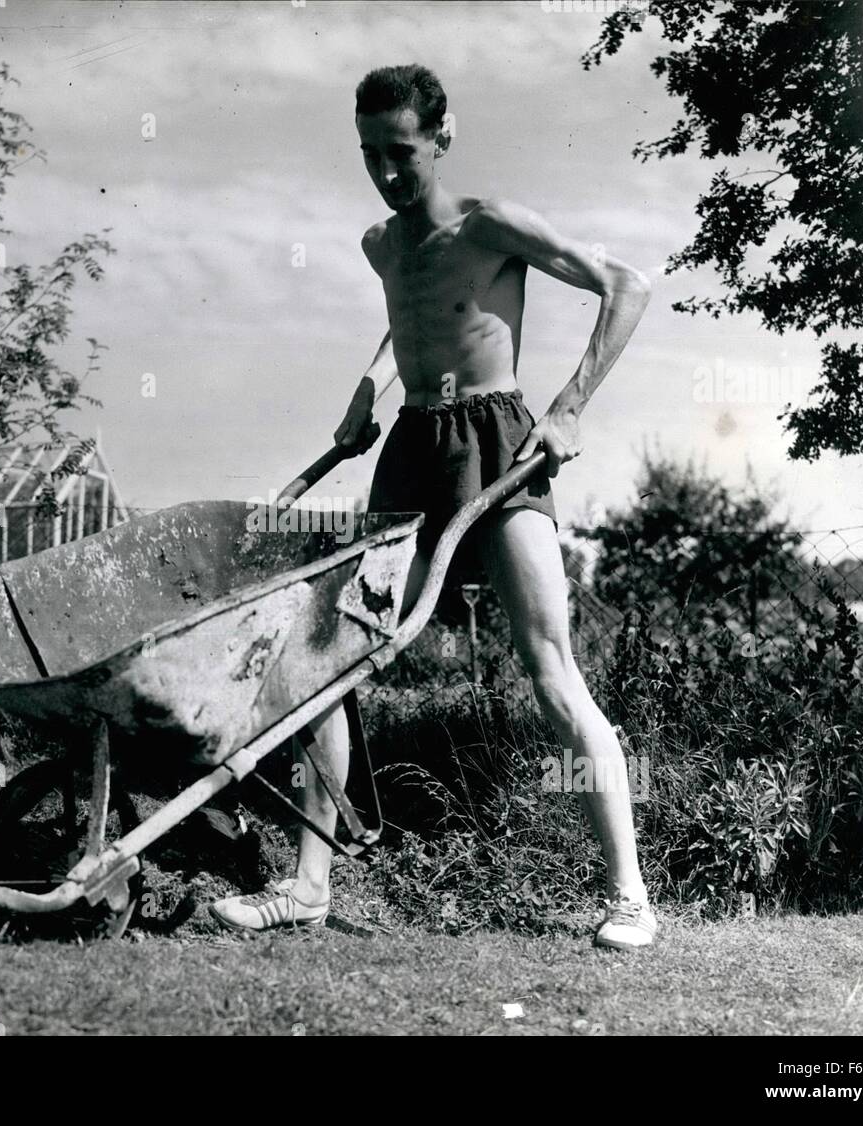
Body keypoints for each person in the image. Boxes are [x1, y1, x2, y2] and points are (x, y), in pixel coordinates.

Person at [211, 64, 656, 950]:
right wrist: (366, 390)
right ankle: (308, 887)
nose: (385, 172)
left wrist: (568, 407)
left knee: (550, 669)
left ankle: (631, 897)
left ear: (442, 139)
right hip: (413, 451)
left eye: (402, 152)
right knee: (332, 662)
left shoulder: (490, 224)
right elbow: (407, 317)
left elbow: (627, 286)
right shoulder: (382, 244)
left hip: (498, 443)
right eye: (369, 153)